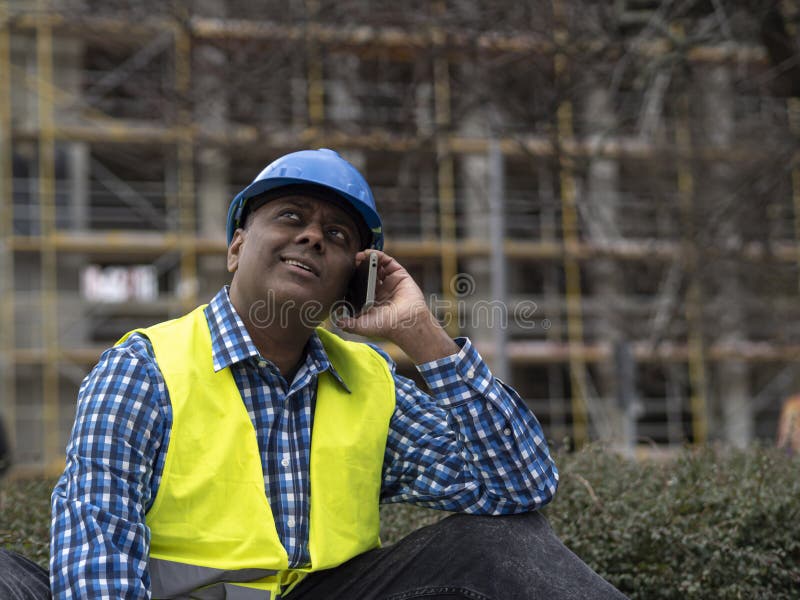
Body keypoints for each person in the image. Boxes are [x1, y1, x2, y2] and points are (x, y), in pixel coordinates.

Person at [1, 148, 627, 599]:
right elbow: (98, 550)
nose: (312, 238)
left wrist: (422, 336)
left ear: (355, 278)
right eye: (291, 217)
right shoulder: (143, 369)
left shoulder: (371, 378)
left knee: (499, 544)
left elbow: (517, 489)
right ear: (237, 246)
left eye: (336, 234)